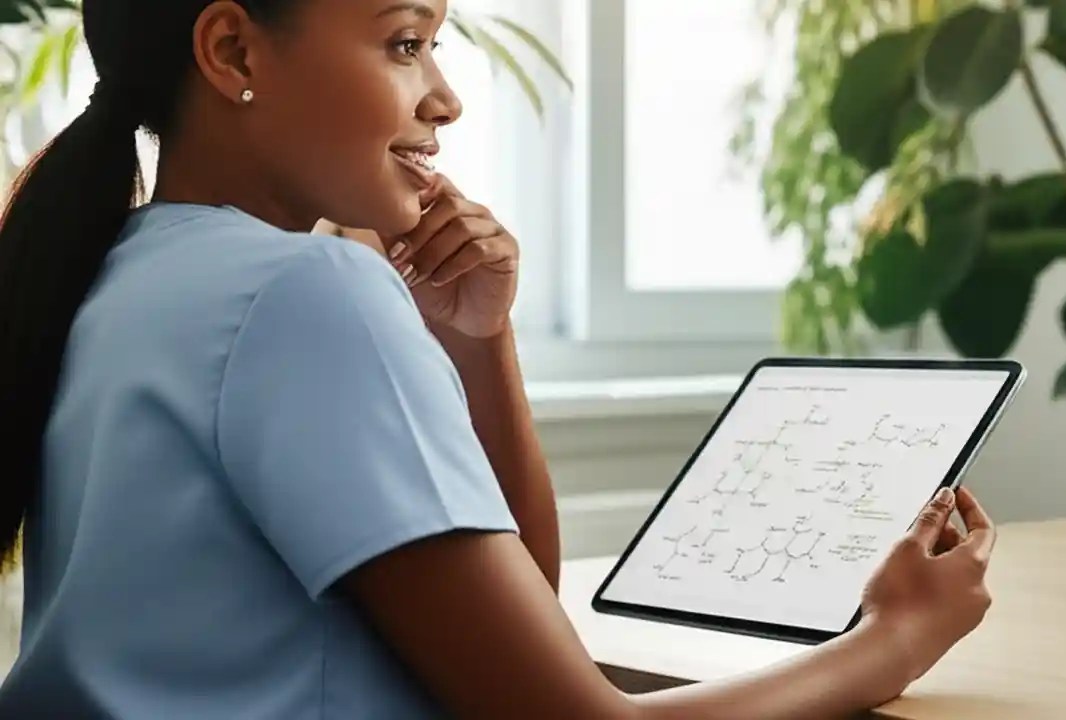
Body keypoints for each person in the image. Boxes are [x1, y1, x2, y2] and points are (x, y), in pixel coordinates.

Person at [0, 0, 997, 717]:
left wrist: (477, 341)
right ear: (231, 50)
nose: (444, 99)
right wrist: (896, 637)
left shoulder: (114, 269)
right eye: (403, 44)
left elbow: (517, 642)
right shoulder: (304, 291)